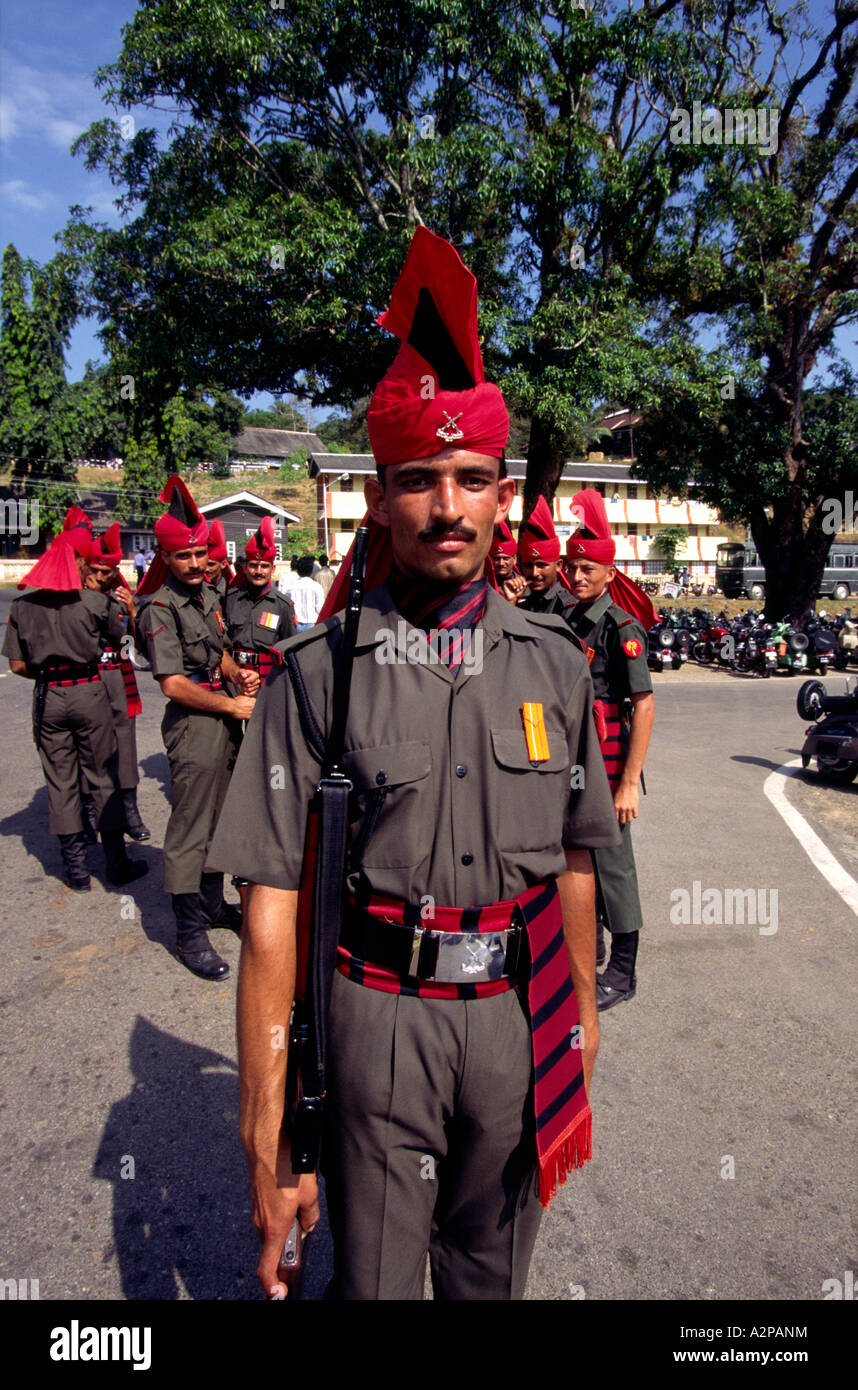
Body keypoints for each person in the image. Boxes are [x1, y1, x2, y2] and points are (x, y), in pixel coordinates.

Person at [208, 226, 620, 1301]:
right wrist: (267, 1123)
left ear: (501, 495)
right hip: (376, 1018)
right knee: (379, 1287)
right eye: (420, 479)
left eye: (472, 478)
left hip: (519, 1019)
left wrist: (573, 1028)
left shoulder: (558, 669)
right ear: (381, 497)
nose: (448, 507)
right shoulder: (316, 675)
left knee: (493, 1281)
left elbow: (577, 863)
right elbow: (270, 907)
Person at [136, 478, 256, 981]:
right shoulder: (159, 608)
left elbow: (216, 652)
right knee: (189, 830)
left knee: (222, 819)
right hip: (195, 725)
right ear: (164, 555)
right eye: (181, 556)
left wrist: (236, 673)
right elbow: (173, 685)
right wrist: (230, 707)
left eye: (198, 553)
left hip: (224, 713)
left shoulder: (206, 594)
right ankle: (189, 933)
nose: (193, 563)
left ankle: (212, 904)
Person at [2, 510, 147, 891]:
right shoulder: (95, 604)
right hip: (89, 690)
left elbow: (17, 666)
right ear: (77, 562)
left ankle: (77, 871)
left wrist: (50, 673)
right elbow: (123, 641)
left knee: (60, 781)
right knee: (102, 776)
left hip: (48, 695)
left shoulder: (21, 607)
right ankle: (115, 863)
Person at [564, 491, 656, 1009]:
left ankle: (623, 971)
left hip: (611, 764)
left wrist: (628, 784)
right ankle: (591, 955)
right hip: (579, 765)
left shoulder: (621, 627)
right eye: (572, 567)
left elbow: (643, 705)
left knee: (616, 868)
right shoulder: (574, 621)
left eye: (588, 569)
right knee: (583, 863)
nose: (577, 577)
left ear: (608, 572)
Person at [82, 524, 150, 842]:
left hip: (119, 674)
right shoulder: (74, 596)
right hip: (87, 679)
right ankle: (89, 812)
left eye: (108, 571)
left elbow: (133, 645)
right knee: (90, 754)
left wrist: (132, 611)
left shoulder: (119, 595)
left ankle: (130, 811)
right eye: (98, 570)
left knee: (125, 748)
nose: (103, 576)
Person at [516, 497, 577, 623]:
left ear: (559, 565)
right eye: (528, 565)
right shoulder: (521, 602)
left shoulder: (569, 609)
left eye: (541, 565)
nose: (534, 573)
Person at [289, 555, 325, 631]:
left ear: (298, 570)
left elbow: (288, 605)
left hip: (296, 624)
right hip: (312, 623)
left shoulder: (292, 587)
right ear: (311, 570)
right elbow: (320, 608)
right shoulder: (316, 586)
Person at [204, 520, 233, 607]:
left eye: (211, 564)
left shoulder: (230, 592)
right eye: (204, 564)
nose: (206, 569)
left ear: (223, 564)